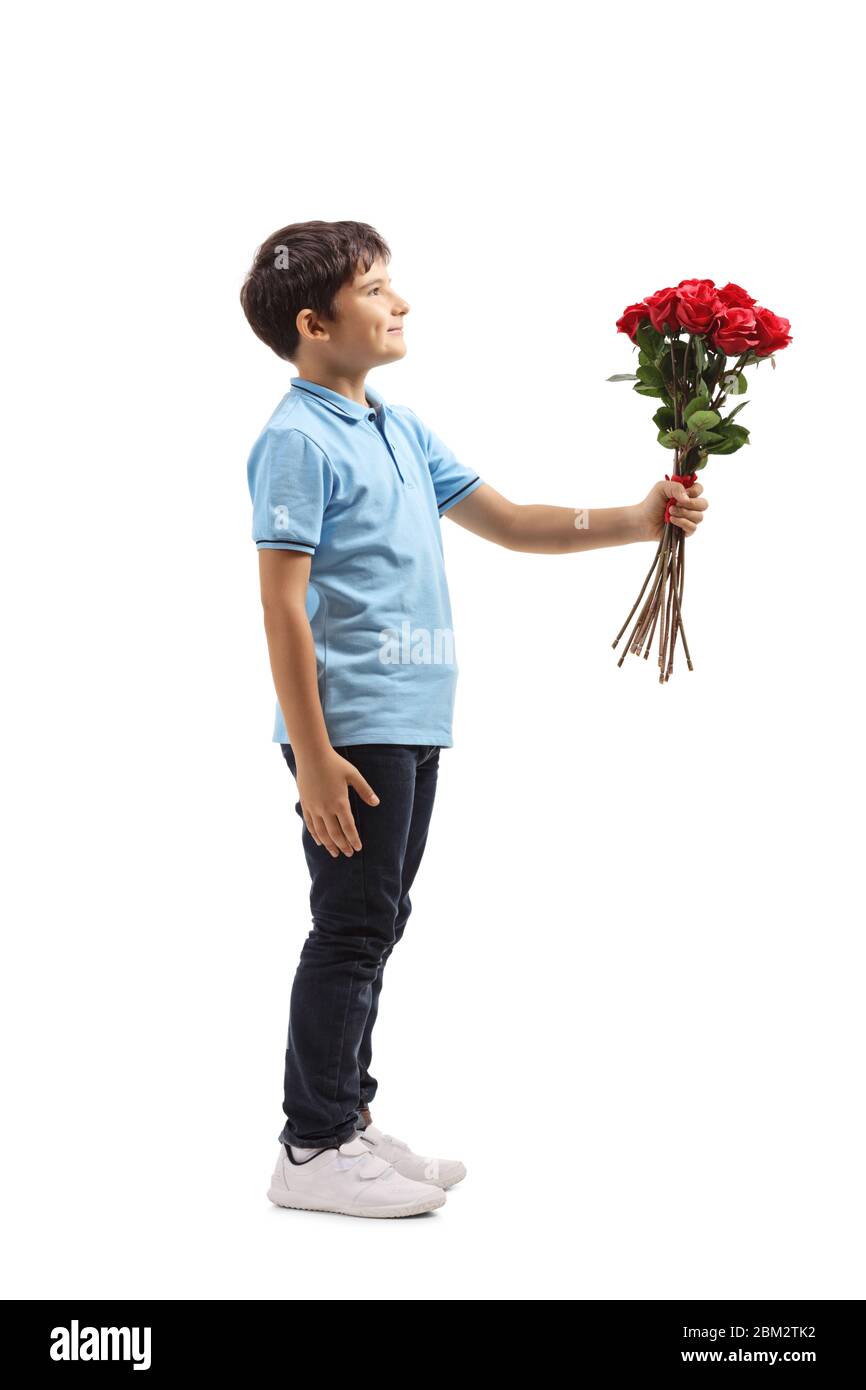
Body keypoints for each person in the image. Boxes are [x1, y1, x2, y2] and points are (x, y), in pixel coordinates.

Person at [239, 220, 708, 1219]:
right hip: (350, 725)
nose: (399, 301)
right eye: (375, 289)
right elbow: (281, 605)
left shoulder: (400, 428)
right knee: (350, 925)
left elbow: (507, 519)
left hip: (412, 714)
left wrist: (638, 519)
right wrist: (312, 754)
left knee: (378, 920)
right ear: (315, 325)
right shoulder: (294, 441)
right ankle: (312, 1144)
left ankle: (346, 1115)